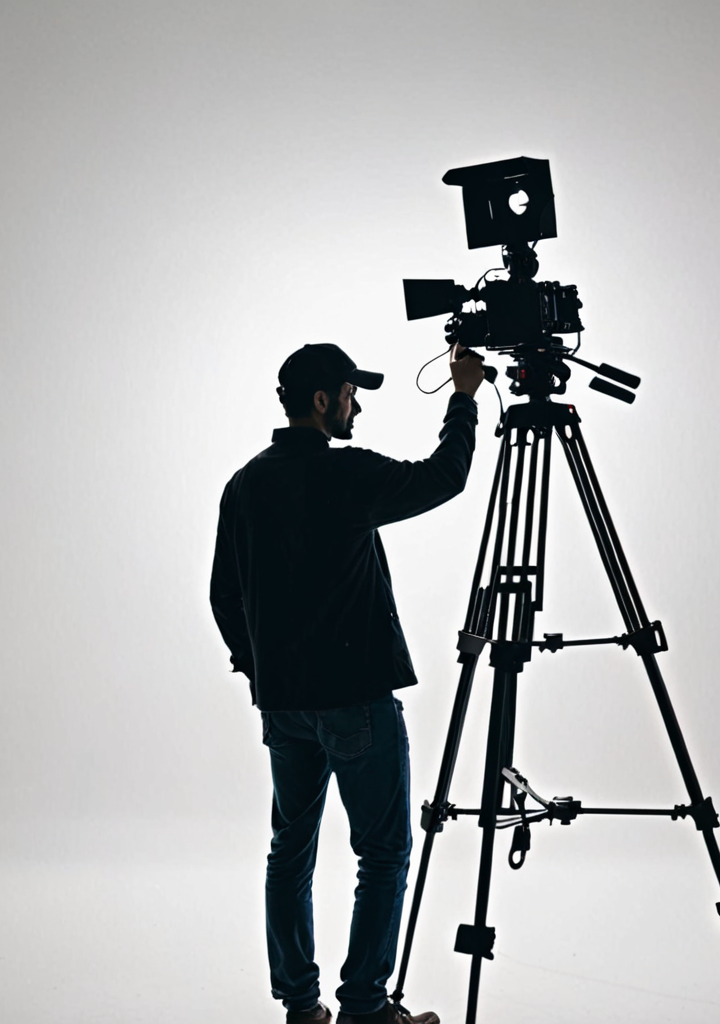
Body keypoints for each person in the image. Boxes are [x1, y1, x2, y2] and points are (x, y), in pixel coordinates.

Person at [210, 341, 484, 1024]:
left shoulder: (244, 484)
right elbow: (445, 476)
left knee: (290, 851)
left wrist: (259, 670)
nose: (356, 406)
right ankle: (363, 1009)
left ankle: (302, 1008)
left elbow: (223, 596)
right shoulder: (346, 475)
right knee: (384, 852)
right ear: (323, 400)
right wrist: (464, 398)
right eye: (350, 394)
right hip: (356, 703)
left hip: (284, 708)